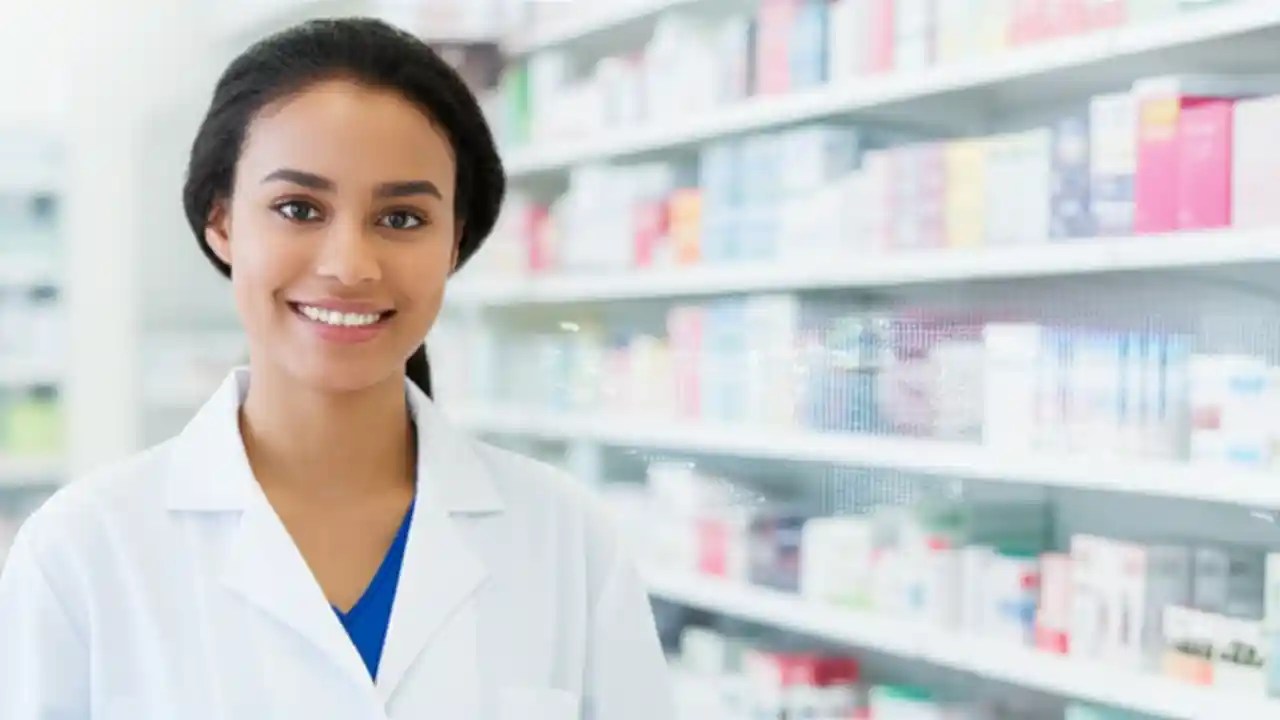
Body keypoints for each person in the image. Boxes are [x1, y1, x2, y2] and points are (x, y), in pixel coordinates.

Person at [0, 18, 673, 720]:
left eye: (403, 218)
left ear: (456, 242)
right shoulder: (81, 553)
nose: (350, 265)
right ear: (222, 223)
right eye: (298, 208)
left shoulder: (567, 543)